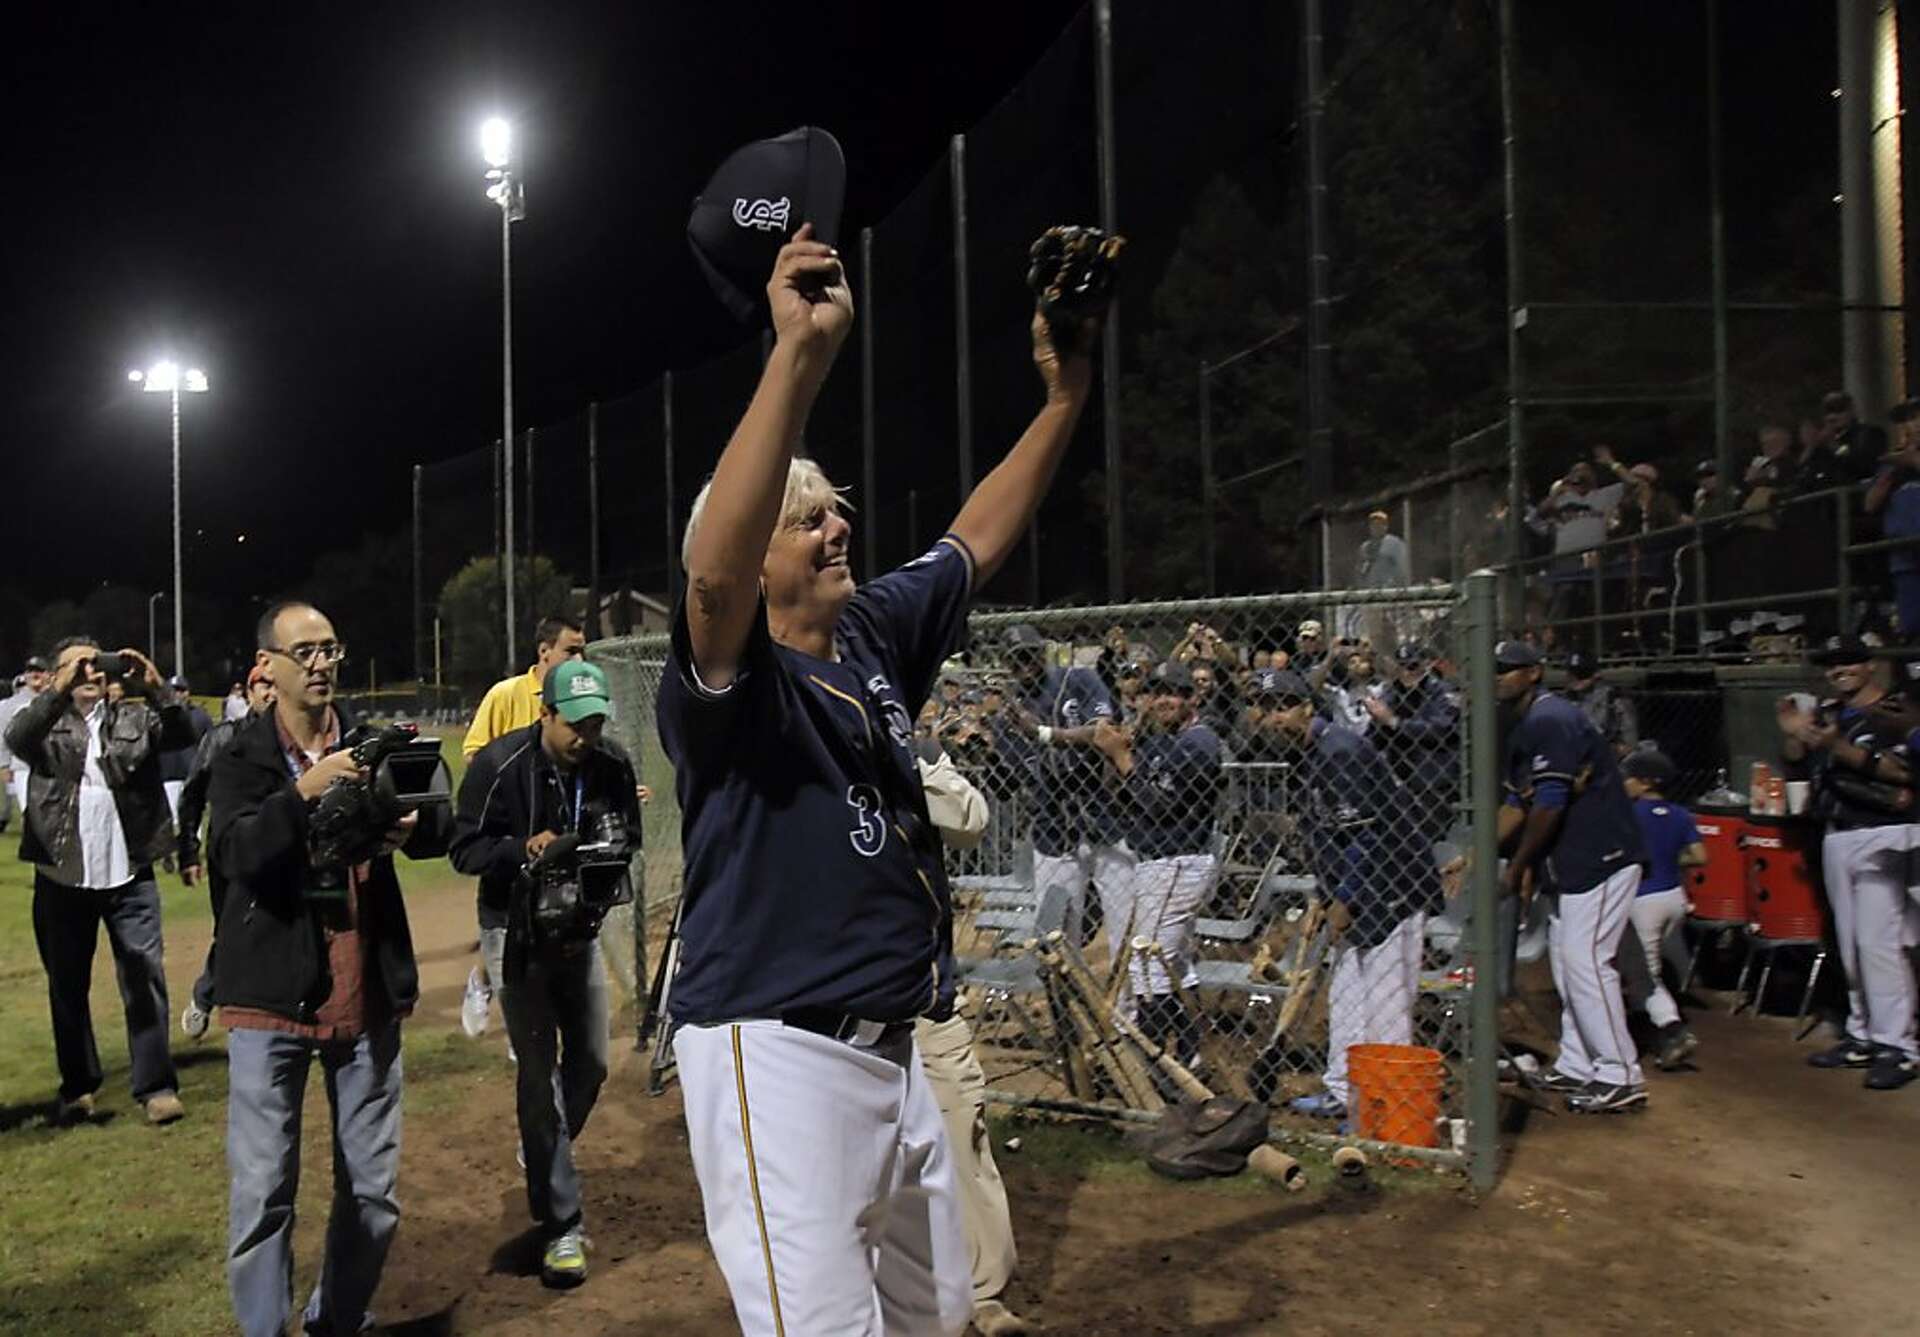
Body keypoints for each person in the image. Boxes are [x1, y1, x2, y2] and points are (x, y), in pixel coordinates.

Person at [658, 224, 1099, 1336]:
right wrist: (798, 357)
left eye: (834, 506)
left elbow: (975, 538)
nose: (836, 522)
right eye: (804, 516)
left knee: (935, 1316)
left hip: (898, 1050)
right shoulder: (727, 684)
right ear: (756, 554)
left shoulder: (869, 636)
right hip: (778, 1049)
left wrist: (1063, 398)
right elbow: (713, 564)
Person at [209, 599, 442, 1336]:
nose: (320, 664)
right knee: (263, 1193)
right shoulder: (241, 755)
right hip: (269, 995)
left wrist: (413, 823)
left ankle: (337, 1319)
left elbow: (442, 822)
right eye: (303, 651)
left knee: (373, 1192)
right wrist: (304, 792)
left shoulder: (375, 742)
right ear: (266, 669)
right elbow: (236, 853)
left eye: (330, 649)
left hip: (364, 988)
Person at [450, 659, 641, 1287]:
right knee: (538, 1072)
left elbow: (628, 835)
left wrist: (600, 855)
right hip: (515, 929)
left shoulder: (609, 766)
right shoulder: (500, 765)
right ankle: (563, 1225)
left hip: (579, 926)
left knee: (589, 1062)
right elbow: (463, 848)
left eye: (595, 723)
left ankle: (542, 1145)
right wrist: (524, 849)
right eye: (576, 725)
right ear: (546, 715)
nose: (588, 736)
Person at [5, 638, 195, 1126]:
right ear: (54, 675)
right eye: (76, 665)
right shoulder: (45, 724)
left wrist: (155, 688)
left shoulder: (133, 718)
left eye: (96, 662)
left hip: (129, 871)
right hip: (61, 874)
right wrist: (57, 690)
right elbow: (18, 737)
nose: (90, 672)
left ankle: (155, 1087)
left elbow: (182, 733)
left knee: (143, 978)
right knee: (67, 985)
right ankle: (78, 1087)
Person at [1251, 670, 1440, 1121]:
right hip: (1359, 892)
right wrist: (1323, 896)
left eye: (1283, 705)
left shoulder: (1339, 751)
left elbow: (1364, 839)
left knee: (1386, 1007)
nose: (1274, 717)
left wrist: (1344, 901)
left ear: (1307, 707)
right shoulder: (1312, 753)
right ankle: (1345, 1093)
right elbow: (1327, 837)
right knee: (1346, 998)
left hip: (1392, 891)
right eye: (1266, 707)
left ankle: (1386, 1108)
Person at [1496, 639, 1650, 1114]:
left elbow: (1548, 806)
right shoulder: (1524, 724)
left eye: (1508, 668)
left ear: (1534, 673)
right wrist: (1479, 856)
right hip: (1570, 862)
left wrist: (1518, 866)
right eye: (1493, 669)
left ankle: (1620, 1073)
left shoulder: (1551, 719)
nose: (1497, 676)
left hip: (1602, 856)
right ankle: (1580, 1063)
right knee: (1566, 963)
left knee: (1586, 961)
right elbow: (1518, 803)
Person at [913, 731, 1030, 1337]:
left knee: (964, 1133)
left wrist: (899, 758)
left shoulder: (916, 748)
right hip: (840, 1009)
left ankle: (982, 1294)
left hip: (925, 1002)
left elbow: (970, 818)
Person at [1777, 635, 1919, 1090]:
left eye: (1848, 662)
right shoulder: (1831, 711)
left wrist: (1836, 746)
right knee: (1851, 946)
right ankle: (1862, 1033)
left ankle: (1898, 1045)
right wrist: (1797, 733)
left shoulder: (1894, 712)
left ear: (1871, 666)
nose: (1838, 670)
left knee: (1880, 943)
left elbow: (1901, 776)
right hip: (1837, 833)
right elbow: (1796, 762)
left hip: (1883, 832)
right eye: (1831, 664)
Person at [459, 614, 589, 1038]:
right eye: (572, 649)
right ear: (544, 651)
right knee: (505, 922)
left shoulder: (581, 696)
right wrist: (516, 777)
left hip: (560, 842)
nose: (580, 657)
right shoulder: (507, 694)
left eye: (583, 650)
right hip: (515, 836)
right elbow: (475, 753)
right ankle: (482, 984)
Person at [1090, 660, 1223, 1071]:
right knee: (1174, 963)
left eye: (1175, 693)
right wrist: (1118, 755)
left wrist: (1123, 757)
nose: (1165, 700)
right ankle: (1187, 1054)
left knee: (1148, 962)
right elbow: (1122, 795)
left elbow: (1159, 805)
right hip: (1162, 861)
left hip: (1178, 861)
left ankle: (1155, 1062)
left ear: (1193, 698)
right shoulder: (1163, 739)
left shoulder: (1198, 743)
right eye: (1157, 692)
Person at [1000, 622, 1132, 961]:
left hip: (1104, 818)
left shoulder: (1078, 679)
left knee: (1126, 928)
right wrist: (989, 751)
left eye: (1028, 654)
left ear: (1042, 652)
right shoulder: (1011, 710)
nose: (1023, 664)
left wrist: (1043, 733)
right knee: (1055, 937)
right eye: (1014, 660)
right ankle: (1068, 1007)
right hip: (1052, 828)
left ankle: (1130, 1008)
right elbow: (1012, 780)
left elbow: (1102, 730)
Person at [176, 663, 275, 1040]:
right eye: (262, 685)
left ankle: (283, 1017)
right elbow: (192, 794)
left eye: (275, 684)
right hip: (230, 852)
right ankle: (207, 996)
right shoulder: (223, 738)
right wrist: (188, 849)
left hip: (282, 849)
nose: (270, 692)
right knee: (233, 929)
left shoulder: (295, 740)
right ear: (248, 693)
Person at [1617, 749, 1703, 1071]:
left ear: (1645, 782)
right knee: (1641, 968)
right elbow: (1699, 855)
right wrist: (1667, 860)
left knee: (1644, 976)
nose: (1623, 783)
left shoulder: (1629, 814)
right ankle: (1654, 1034)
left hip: (1644, 901)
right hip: (1674, 899)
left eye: (1628, 778)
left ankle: (1672, 1030)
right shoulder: (1680, 813)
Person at [1365, 640, 1461, 845]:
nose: (1407, 673)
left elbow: (1442, 729)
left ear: (1425, 665)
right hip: (1400, 780)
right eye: (1402, 667)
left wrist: (1393, 722)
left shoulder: (1441, 690)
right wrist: (1379, 720)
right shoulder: (1392, 693)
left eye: (1412, 666)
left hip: (1435, 779)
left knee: (1433, 841)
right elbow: (1374, 737)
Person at [1863, 399, 1920, 642]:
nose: (1911, 425)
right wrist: (1890, 473)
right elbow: (1870, 505)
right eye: (1906, 419)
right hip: (1903, 557)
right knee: (1912, 626)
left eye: (1915, 417)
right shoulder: (1894, 462)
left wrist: (1914, 462)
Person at [0, 655, 51, 823]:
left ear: (48, 674)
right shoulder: (12, 704)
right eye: (31, 671)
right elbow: (3, 736)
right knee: (30, 815)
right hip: (23, 767)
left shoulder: (56, 700)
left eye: (39, 671)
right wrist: (4, 765)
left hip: (52, 766)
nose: (35, 675)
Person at [158, 673, 212, 828]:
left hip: (192, 774)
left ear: (188, 692)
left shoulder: (201, 716)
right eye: (174, 690)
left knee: (193, 820)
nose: (178, 694)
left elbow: (209, 744)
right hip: (167, 774)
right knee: (172, 822)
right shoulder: (160, 715)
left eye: (182, 690)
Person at [1560, 650, 1638, 756]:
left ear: (1596, 674)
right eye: (1572, 674)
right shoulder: (1561, 701)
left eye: (1582, 674)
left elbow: (1630, 746)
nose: (1576, 679)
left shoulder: (1615, 701)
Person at [1822, 389, 1889, 483]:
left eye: (1839, 410)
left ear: (1852, 410)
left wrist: (1837, 448)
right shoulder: (1825, 440)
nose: (1834, 416)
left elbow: (1865, 467)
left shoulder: (1870, 433)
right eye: (1829, 411)